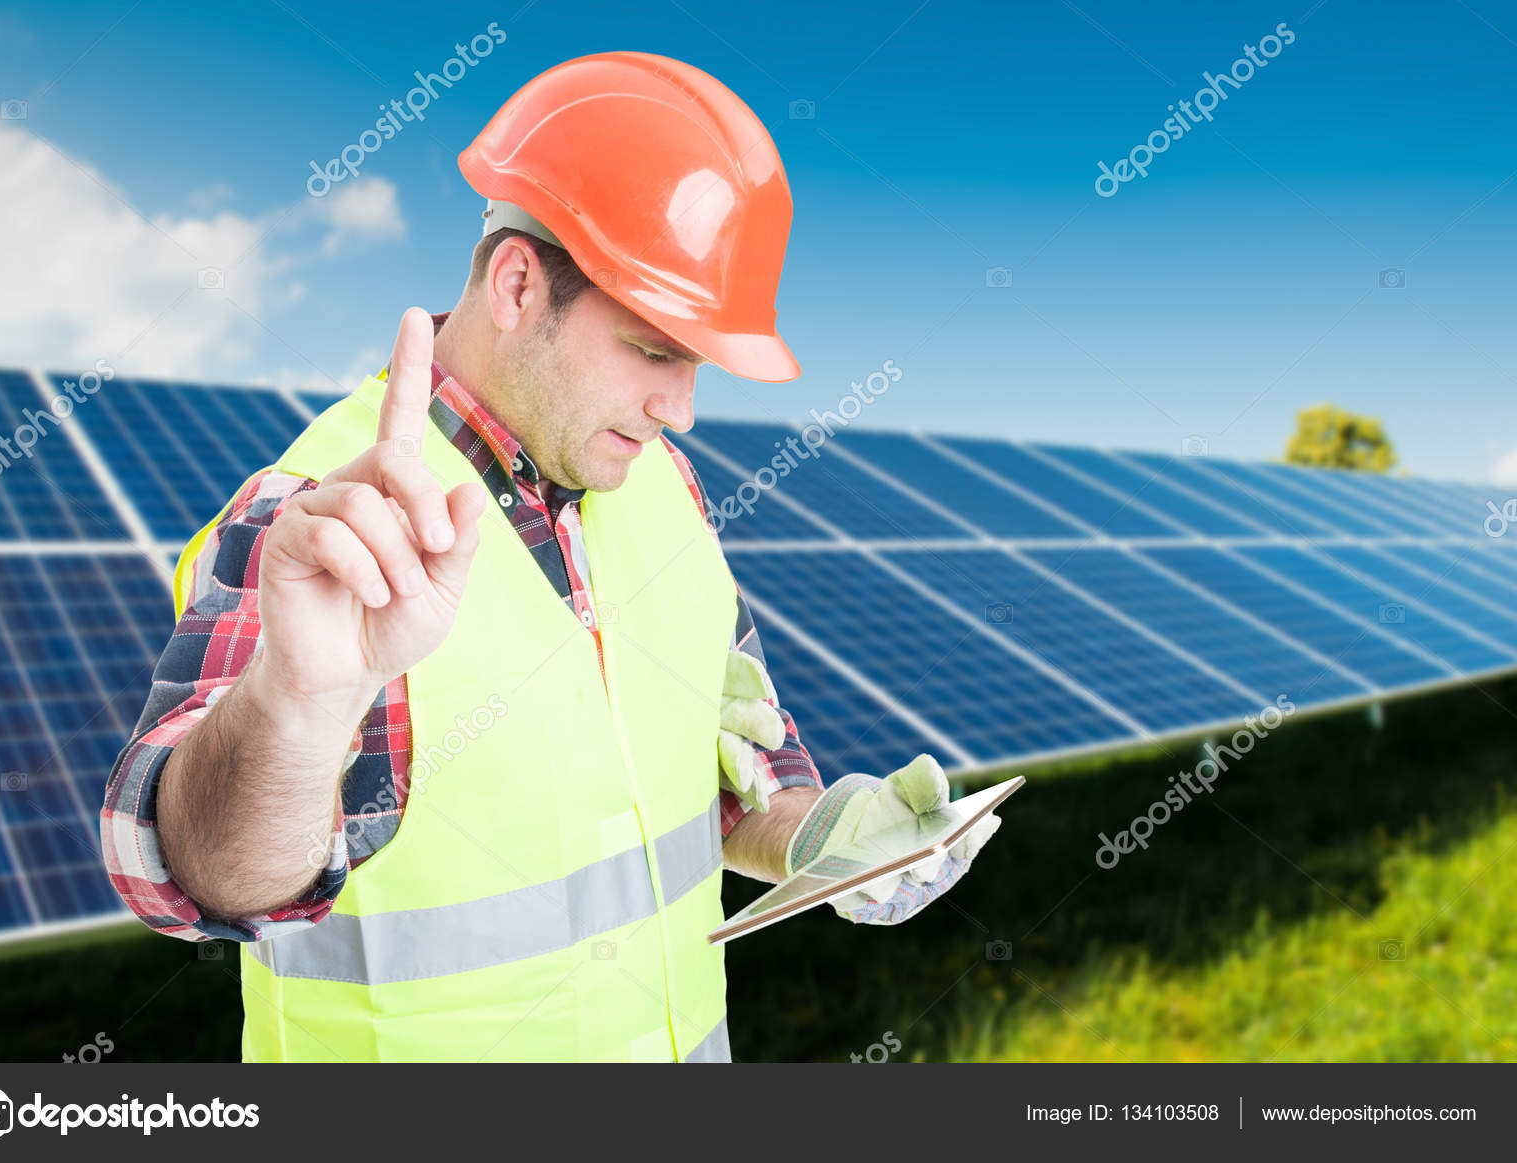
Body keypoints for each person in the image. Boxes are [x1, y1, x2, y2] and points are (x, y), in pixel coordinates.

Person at [101, 50, 1000, 1062]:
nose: (683, 407)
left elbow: (716, 770)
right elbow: (189, 877)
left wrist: (821, 834)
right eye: (655, 349)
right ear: (521, 284)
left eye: (696, 363)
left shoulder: (665, 489)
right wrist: (295, 705)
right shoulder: (322, 523)